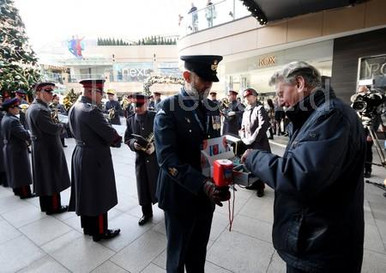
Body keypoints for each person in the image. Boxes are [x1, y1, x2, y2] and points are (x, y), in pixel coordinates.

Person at [241, 61, 365, 273]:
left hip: (321, 247)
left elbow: (300, 175)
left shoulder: (330, 116)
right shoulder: (315, 115)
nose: (279, 101)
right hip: (317, 239)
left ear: (299, 83)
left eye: (281, 93)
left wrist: (255, 158)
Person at [154, 55, 230, 273]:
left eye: (211, 80)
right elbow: (166, 158)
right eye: (203, 79)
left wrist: (225, 175)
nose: (208, 85)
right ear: (187, 76)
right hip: (179, 196)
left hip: (206, 198)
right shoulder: (168, 108)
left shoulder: (213, 108)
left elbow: (215, 148)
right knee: (177, 257)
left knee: (198, 255)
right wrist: (203, 184)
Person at [68, 79, 122, 242]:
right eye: (101, 93)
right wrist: (117, 139)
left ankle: (88, 227)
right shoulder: (91, 110)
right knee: (98, 194)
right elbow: (110, 135)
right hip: (94, 156)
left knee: (86, 193)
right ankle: (99, 231)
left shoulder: (74, 107)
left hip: (80, 152)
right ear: (92, 92)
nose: (102, 97)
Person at [26, 82, 70, 215]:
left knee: (44, 177)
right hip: (47, 148)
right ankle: (54, 207)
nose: (51, 94)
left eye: (52, 92)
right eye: (48, 91)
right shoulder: (40, 109)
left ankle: (46, 205)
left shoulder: (34, 107)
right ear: (39, 92)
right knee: (51, 177)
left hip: (41, 147)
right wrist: (63, 126)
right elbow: (52, 128)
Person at [124, 93, 159, 226]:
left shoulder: (155, 117)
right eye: (134, 105)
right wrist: (133, 144)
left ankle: (167, 210)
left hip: (155, 159)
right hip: (141, 159)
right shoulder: (130, 119)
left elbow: (163, 135)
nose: (136, 108)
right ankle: (146, 213)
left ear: (147, 104)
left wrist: (154, 147)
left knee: (158, 185)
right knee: (143, 186)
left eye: (139, 105)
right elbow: (127, 138)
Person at [239, 88, 271, 197]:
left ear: (255, 96)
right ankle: (254, 183)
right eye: (245, 97)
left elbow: (264, 125)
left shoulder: (259, 109)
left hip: (258, 142)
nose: (247, 98)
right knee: (251, 164)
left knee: (259, 164)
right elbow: (243, 126)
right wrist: (243, 136)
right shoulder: (246, 110)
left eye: (249, 96)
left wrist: (253, 138)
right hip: (248, 141)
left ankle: (260, 187)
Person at [1, 98, 35, 199]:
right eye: (16, 107)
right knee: (22, 171)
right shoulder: (13, 121)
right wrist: (30, 132)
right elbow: (24, 134)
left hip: (10, 147)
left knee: (14, 171)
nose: (18, 109)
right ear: (11, 108)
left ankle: (17, 190)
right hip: (17, 149)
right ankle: (25, 193)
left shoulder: (6, 118)